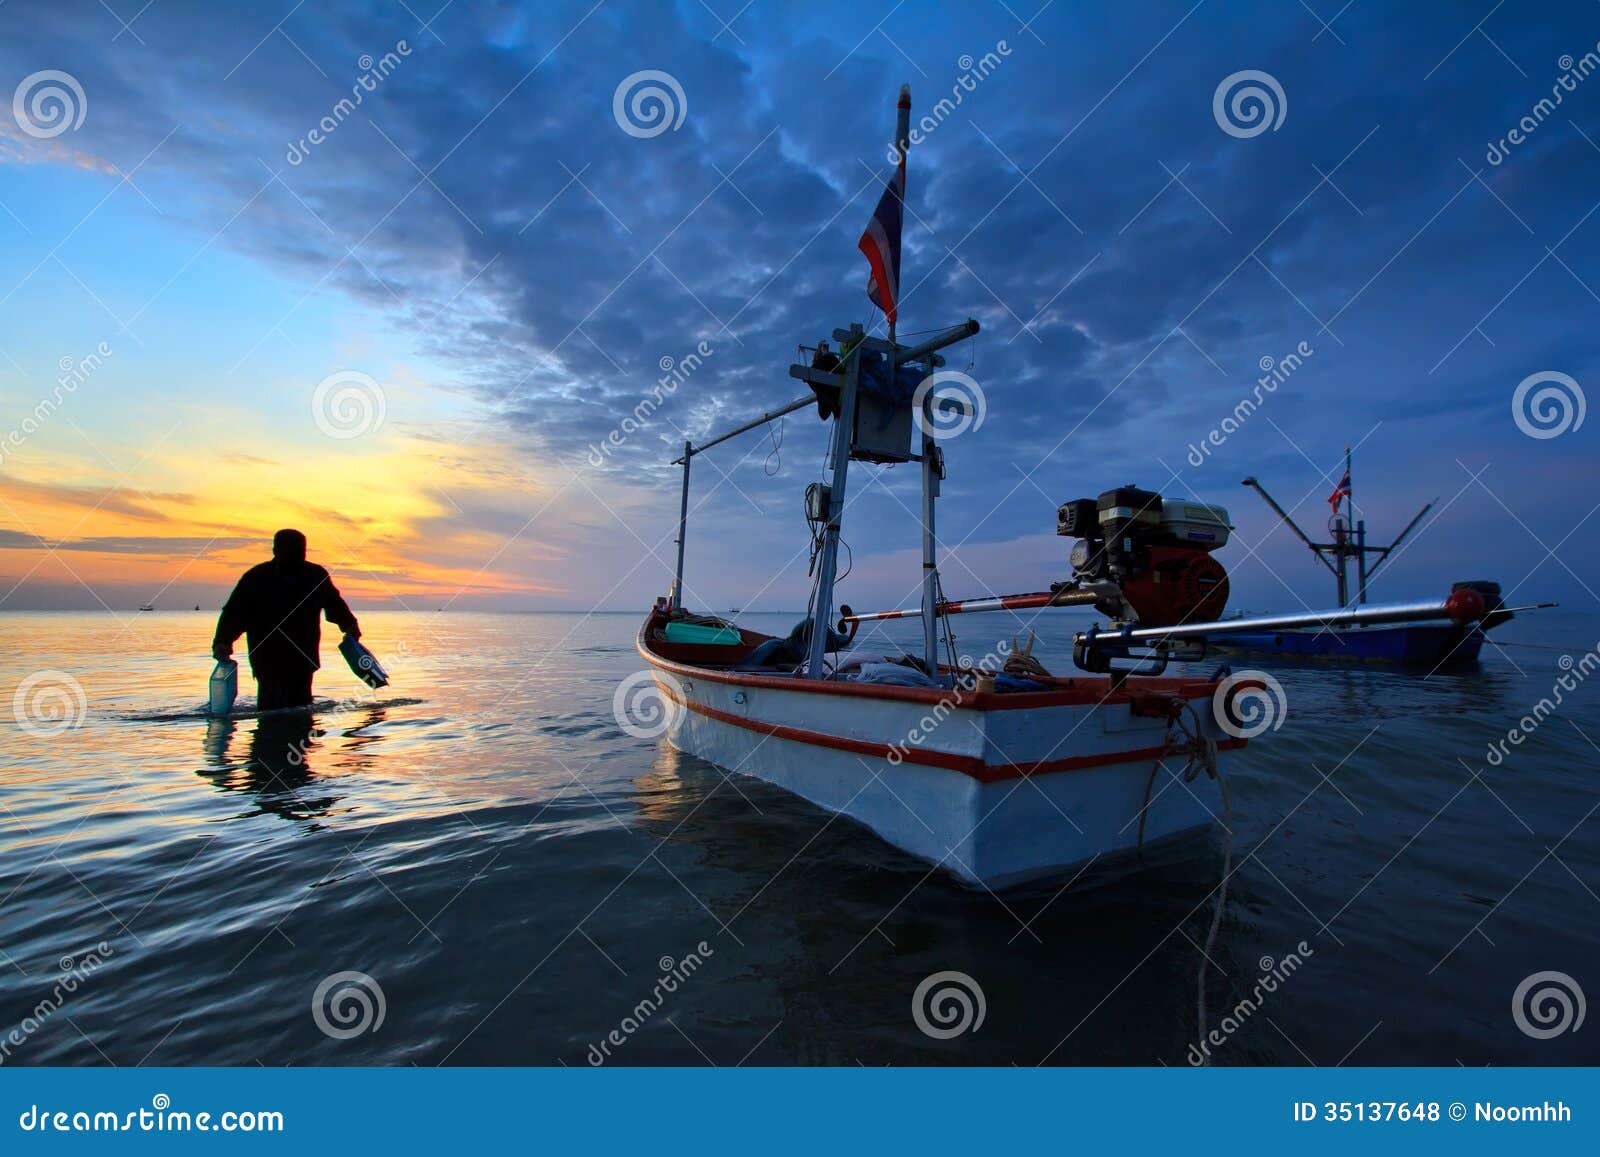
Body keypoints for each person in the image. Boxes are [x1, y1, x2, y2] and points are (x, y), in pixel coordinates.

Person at [212, 529, 361, 711]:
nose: (295, 556)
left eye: (299, 551)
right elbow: (234, 613)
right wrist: (222, 641)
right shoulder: (257, 577)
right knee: (271, 712)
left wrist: (349, 625)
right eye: (289, 551)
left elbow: (334, 604)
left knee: (300, 711)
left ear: (305, 551)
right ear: (275, 550)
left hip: (302, 658)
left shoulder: (314, 575)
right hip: (267, 658)